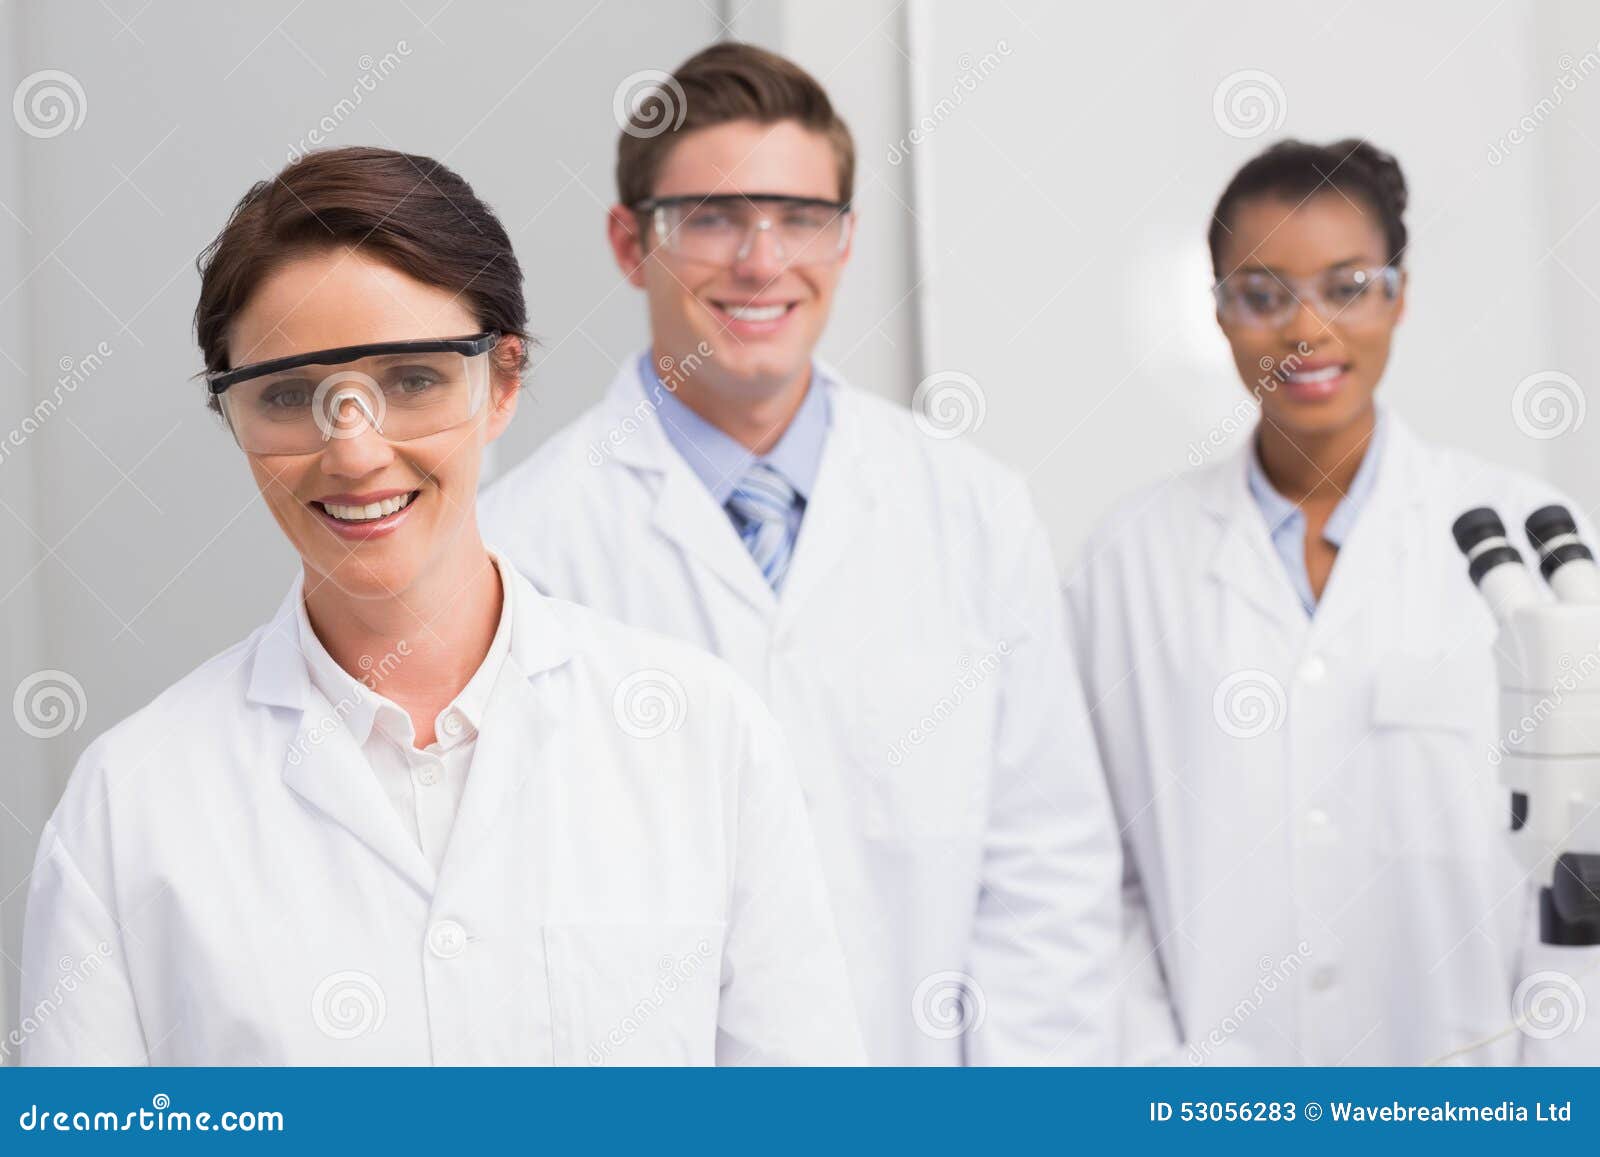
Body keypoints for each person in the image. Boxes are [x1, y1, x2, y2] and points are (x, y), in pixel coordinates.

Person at [19, 146, 862, 1066]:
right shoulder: (132, 804)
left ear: (501, 382)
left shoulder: (705, 738)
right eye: (290, 395)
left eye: (412, 380)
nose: (355, 453)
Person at [479, 42, 1120, 1065]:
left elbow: (1050, 875)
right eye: (713, 216)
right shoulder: (521, 547)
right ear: (628, 242)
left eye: (800, 218)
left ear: (847, 238)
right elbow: (511, 920)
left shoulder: (974, 512)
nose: (762, 260)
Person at [1066, 138, 1600, 1065]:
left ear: (1398, 294)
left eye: (1348, 285)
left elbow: (1578, 860)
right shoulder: (1127, 560)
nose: (1306, 330)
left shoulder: (1530, 538)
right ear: (1222, 314)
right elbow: (1089, 875)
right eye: (1264, 294)